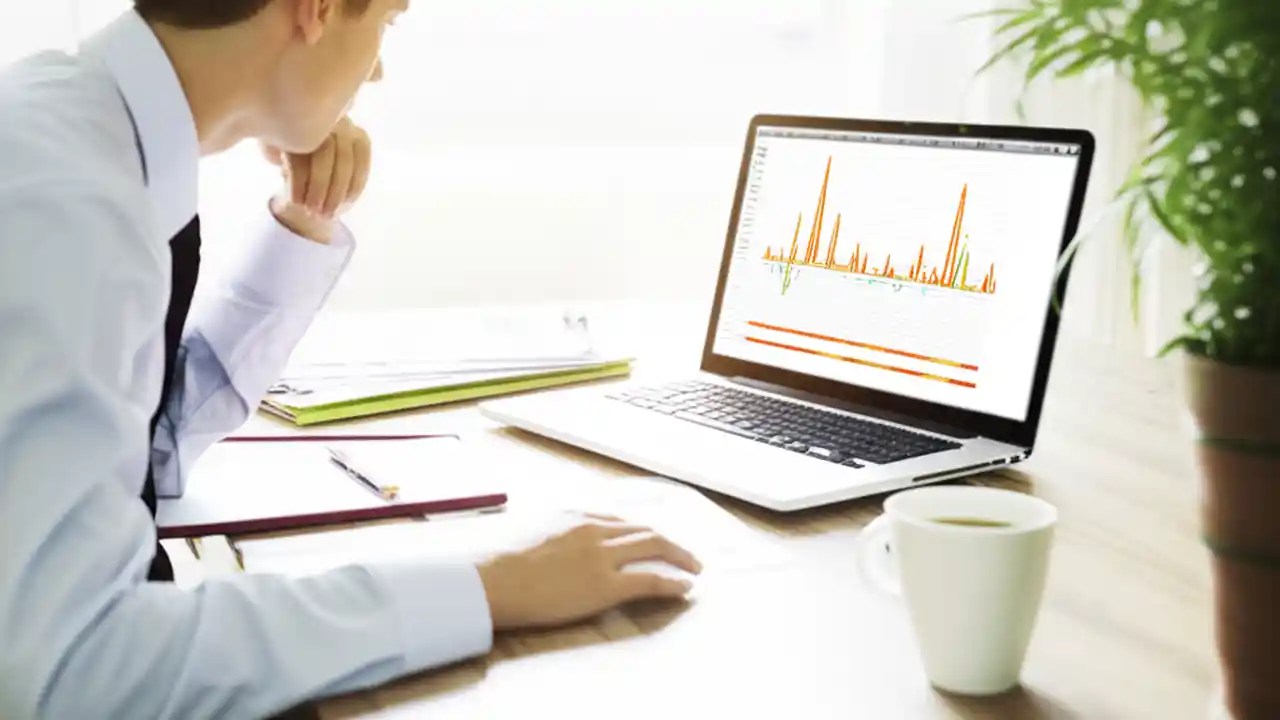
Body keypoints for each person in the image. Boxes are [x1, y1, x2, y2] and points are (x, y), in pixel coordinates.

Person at [0, 1, 702, 717]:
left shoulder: (82, 135)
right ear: (318, 9)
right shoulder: (71, 199)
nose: (378, 66)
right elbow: (77, 665)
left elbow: (149, 447)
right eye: (387, 22)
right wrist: (492, 585)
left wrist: (303, 224)